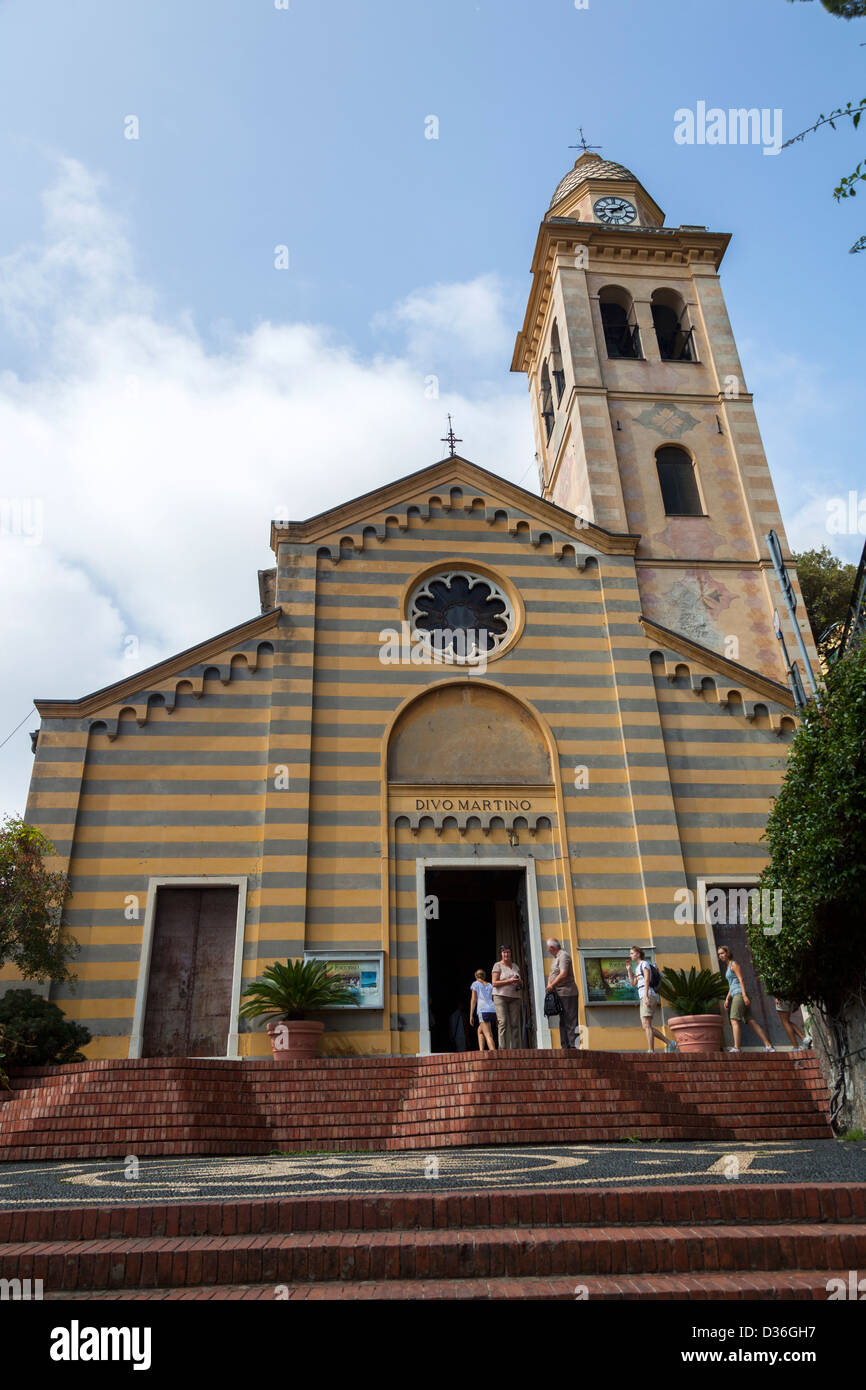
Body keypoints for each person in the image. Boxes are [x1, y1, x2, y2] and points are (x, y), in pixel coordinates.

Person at [717, 945, 774, 1052]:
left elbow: (741, 979)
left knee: (734, 1019)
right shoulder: (728, 966)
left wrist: (744, 995)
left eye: (722, 953)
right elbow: (732, 984)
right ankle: (768, 1046)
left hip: (740, 994)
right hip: (735, 993)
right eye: (719, 954)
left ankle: (736, 1048)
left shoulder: (733, 964)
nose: (721, 955)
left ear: (727, 953)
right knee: (750, 1021)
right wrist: (727, 998)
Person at [626, 946, 676, 1053]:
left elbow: (647, 979)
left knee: (647, 1025)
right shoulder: (637, 967)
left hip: (647, 995)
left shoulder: (644, 964)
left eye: (632, 953)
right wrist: (629, 971)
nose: (630, 955)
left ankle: (651, 1050)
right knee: (646, 1025)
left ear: (638, 954)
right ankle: (670, 1043)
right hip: (643, 996)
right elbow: (633, 984)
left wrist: (646, 996)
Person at [546, 937, 581, 1050]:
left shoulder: (563, 956)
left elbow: (563, 974)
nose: (547, 950)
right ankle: (565, 1046)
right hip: (559, 993)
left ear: (552, 948)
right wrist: (549, 983)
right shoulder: (555, 958)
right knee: (563, 1021)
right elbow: (552, 973)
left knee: (571, 1020)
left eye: (548, 948)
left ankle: (574, 1046)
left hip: (568, 992)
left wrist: (552, 985)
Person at [491, 945, 522, 1049]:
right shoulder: (497, 965)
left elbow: (521, 984)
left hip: (515, 997)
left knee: (515, 1024)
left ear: (511, 953)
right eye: (504, 952)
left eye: (508, 952)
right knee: (503, 1022)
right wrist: (510, 980)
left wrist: (519, 982)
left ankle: (515, 1049)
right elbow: (494, 983)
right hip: (500, 997)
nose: (506, 954)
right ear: (501, 954)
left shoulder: (515, 966)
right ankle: (502, 1049)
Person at [469, 969, 497, 1051]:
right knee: (480, 1031)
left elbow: (473, 999)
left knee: (488, 1035)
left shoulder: (475, 984)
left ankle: (494, 1054)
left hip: (483, 1010)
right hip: (492, 1010)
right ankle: (481, 1051)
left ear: (475, 976)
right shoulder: (489, 985)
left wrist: (471, 1015)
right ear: (484, 976)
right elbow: (493, 998)